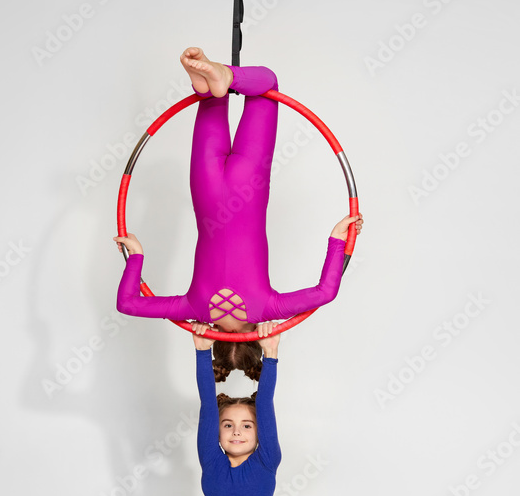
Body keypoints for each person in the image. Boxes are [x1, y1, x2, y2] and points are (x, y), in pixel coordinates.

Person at [114, 48, 363, 361]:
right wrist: (136, 255)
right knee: (212, 98)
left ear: (257, 338)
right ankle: (206, 84)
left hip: (249, 184)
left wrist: (338, 237)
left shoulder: (268, 308)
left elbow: (326, 293)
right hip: (204, 185)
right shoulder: (193, 307)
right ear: (214, 342)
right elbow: (128, 304)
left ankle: (223, 77)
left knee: (266, 85)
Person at [164, 324, 282, 496]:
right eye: (228, 425)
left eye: (247, 426)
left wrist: (272, 354)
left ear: (259, 433)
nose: (237, 432)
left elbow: (265, 402)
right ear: (217, 432)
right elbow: (207, 404)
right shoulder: (212, 462)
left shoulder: (267, 461)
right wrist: (202, 350)